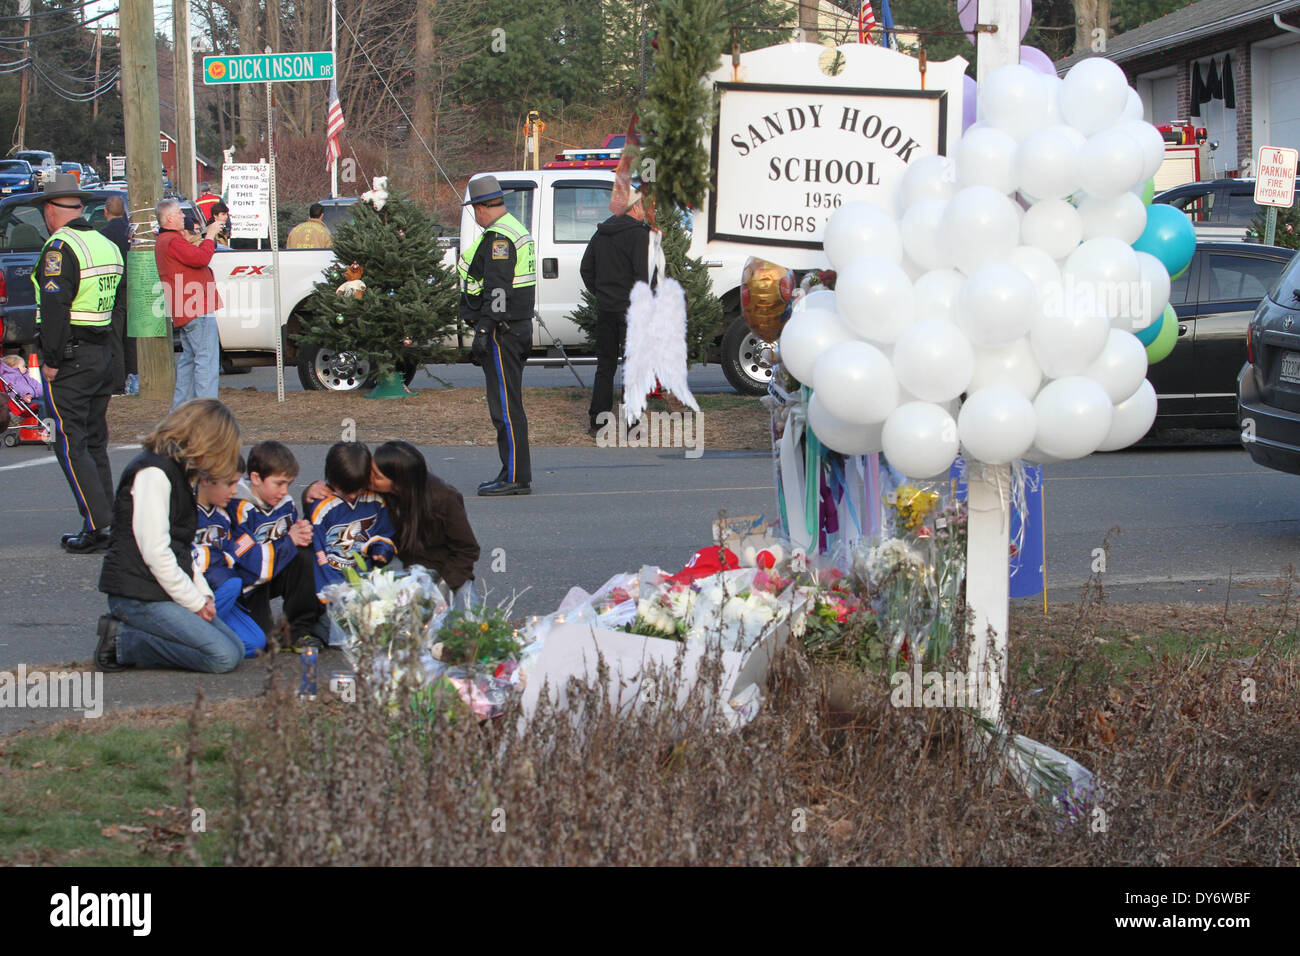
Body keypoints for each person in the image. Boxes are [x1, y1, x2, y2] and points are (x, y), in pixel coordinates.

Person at [94, 399, 246, 673]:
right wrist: (194, 602)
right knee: (222, 657)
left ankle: (139, 637)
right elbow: (156, 552)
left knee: (236, 648)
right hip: (137, 595)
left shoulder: (180, 472)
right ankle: (121, 640)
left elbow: (182, 548)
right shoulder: (154, 473)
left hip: (161, 591)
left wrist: (203, 594)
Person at [32, 173, 125, 554]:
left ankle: (97, 525)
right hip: (102, 354)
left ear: (51, 211)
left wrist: (51, 360)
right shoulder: (104, 244)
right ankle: (109, 521)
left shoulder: (59, 247)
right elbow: (118, 307)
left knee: (70, 443)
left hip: (71, 358)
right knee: (94, 441)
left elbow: (55, 307)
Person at [459, 175, 536, 496]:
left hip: (502, 332)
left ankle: (516, 476)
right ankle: (511, 469)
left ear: (479, 208)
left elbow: (498, 291)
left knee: (505, 407)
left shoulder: (499, 238)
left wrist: (483, 329)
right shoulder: (513, 228)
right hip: (513, 328)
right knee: (506, 405)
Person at [229, 440, 325, 651]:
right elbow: (249, 564)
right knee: (262, 645)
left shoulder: (284, 503)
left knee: (306, 555)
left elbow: (293, 545)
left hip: (274, 571)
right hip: (249, 584)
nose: (284, 491)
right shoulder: (238, 507)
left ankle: (298, 630)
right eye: (278, 483)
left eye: (288, 484)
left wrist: (303, 530)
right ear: (255, 478)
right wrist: (289, 540)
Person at [369, 441, 480, 603]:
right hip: (411, 576)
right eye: (370, 470)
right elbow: (341, 485)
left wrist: (443, 588)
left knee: (460, 626)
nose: (369, 478)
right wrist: (317, 487)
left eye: (377, 476)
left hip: (450, 577)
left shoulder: (443, 498)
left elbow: (467, 550)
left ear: (399, 482)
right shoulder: (377, 493)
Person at [580, 186, 650, 436]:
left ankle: (597, 422)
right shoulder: (639, 235)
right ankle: (632, 424)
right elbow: (642, 276)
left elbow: (586, 269)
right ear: (634, 207)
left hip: (606, 309)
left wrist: (601, 293)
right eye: (642, 206)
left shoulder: (601, 233)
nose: (645, 211)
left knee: (605, 366)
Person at [155, 197, 226, 409]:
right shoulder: (172, 241)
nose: (183, 216)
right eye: (179, 213)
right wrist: (211, 236)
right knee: (206, 363)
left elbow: (191, 255)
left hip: (185, 309)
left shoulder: (166, 241)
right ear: (169, 219)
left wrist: (201, 236)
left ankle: (179, 413)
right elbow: (200, 258)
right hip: (195, 308)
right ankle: (206, 416)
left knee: (188, 363)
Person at [194, 456, 266, 658]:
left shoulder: (226, 514)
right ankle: (189, 634)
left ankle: (201, 640)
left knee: (256, 643)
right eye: (230, 483)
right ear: (206, 480)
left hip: (219, 593)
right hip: (193, 591)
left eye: (237, 482)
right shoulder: (184, 510)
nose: (235, 490)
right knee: (232, 582)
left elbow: (239, 548)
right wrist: (214, 558)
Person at [309, 442, 396, 597]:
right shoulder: (323, 507)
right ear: (330, 478)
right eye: (346, 490)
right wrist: (331, 590)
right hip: (332, 584)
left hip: (365, 582)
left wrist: (381, 550)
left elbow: (383, 533)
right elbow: (319, 553)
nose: (353, 495)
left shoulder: (376, 501)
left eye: (359, 489)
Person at [99, 194, 136, 396]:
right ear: (124, 212)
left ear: (106, 212)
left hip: (114, 288)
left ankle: (118, 384)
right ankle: (135, 378)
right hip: (134, 286)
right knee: (132, 337)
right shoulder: (133, 233)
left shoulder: (102, 235)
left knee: (115, 338)